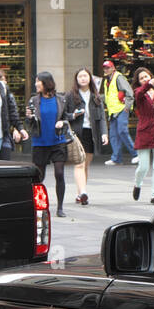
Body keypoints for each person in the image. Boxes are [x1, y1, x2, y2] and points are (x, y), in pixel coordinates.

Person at [25, 71, 71, 217]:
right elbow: (29, 123)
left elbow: (66, 118)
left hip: (58, 141)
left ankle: (60, 207)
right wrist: (29, 117)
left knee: (59, 173)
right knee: (39, 177)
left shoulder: (61, 99)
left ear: (46, 83)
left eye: (38, 81)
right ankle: (39, 205)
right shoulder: (33, 100)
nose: (36, 84)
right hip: (40, 142)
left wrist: (62, 122)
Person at [64, 67, 107, 206]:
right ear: (76, 79)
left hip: (91, 133)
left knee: (86, 165)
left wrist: (104, 133)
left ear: (90, 78)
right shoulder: (70, 95)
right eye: (80, 76)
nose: (83, 78)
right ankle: (83, 192)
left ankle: (80, 193)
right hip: (77, 133)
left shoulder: (96, 96)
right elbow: (63, 114)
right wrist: (73, 115)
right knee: (79, 164)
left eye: (85, 76)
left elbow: (102, 117)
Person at [131, 66, 154, 205]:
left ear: (151, 76)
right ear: (139, 82)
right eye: (141, 78)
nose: (144, 79)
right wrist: (148, 84)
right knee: (144, 166)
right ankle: (138, 183)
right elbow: (140, 93)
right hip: (144, 131)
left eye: (146, 76)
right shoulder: (139, 93)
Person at [101, 59, 137, 165]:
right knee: (113, 135)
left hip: (121, 109)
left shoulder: (118, 77)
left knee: (122, 131)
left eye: (108, 67)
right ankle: (116, 158)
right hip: (113, 111)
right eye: (105, 68)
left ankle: (136, 154)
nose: (106, 69)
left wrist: (127, 107)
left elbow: (129, 92)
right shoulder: (107, 80)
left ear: (113, 68)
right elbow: (109, 96)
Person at [0, 67, 27, 160]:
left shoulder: (8, 93)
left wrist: (18, 128)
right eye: (2, 79)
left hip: (4, 135)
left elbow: (13, 113)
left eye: (5, 79)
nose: (5, 82)